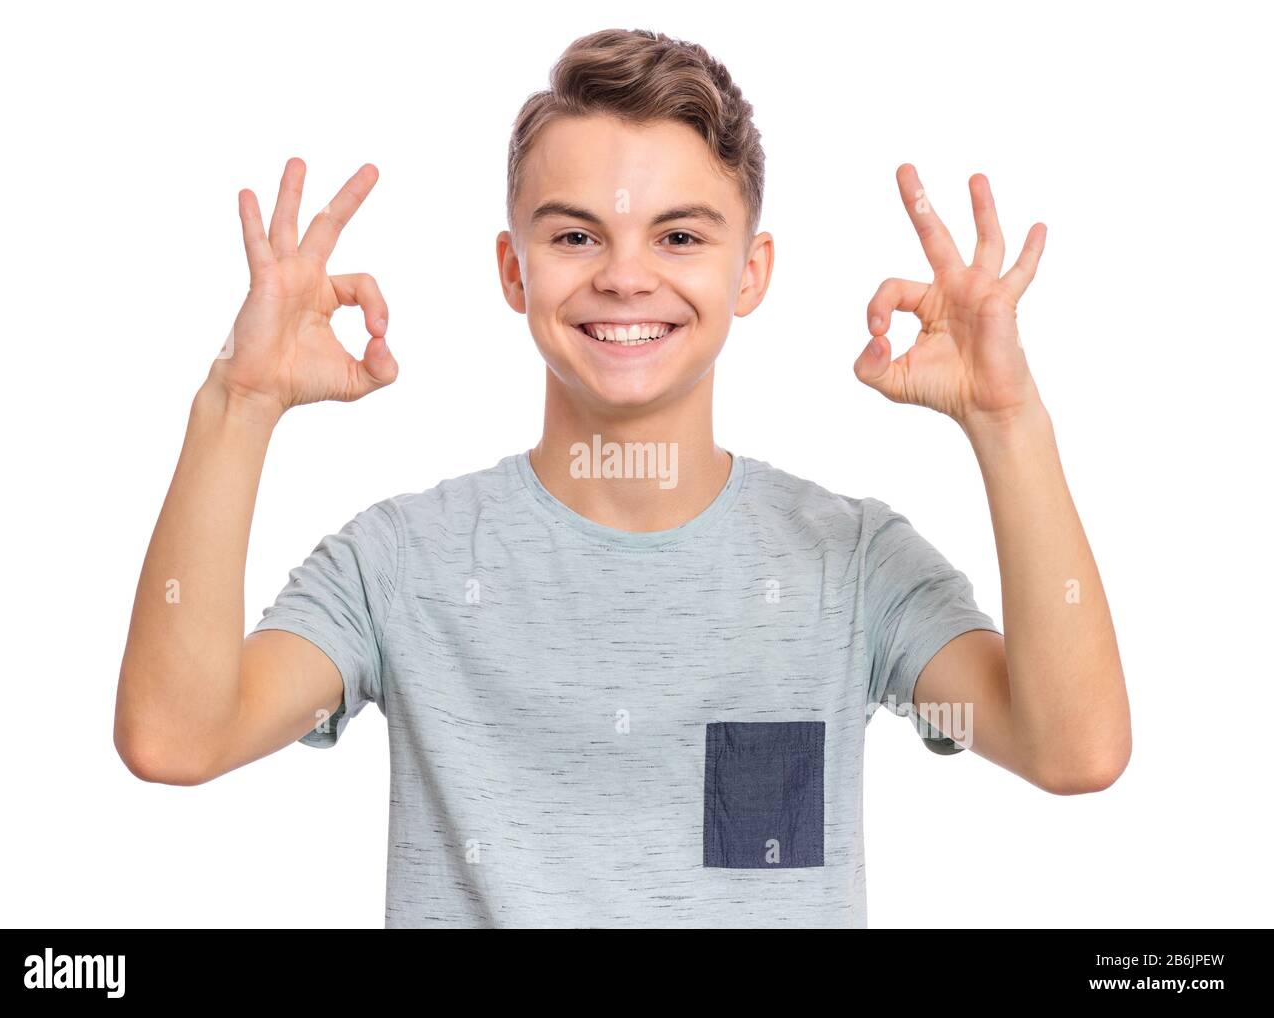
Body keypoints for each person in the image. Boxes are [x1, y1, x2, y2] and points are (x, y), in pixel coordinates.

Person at [115, 27, 1130, 928]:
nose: (625, 276)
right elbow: (175, 736)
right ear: (514, 271)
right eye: (573, 236)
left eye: (679, 235)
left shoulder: (850, 564)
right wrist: (237, 404)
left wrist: (1008, 422)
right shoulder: (401, 562)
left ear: (751, 271)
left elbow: (1072, 749)